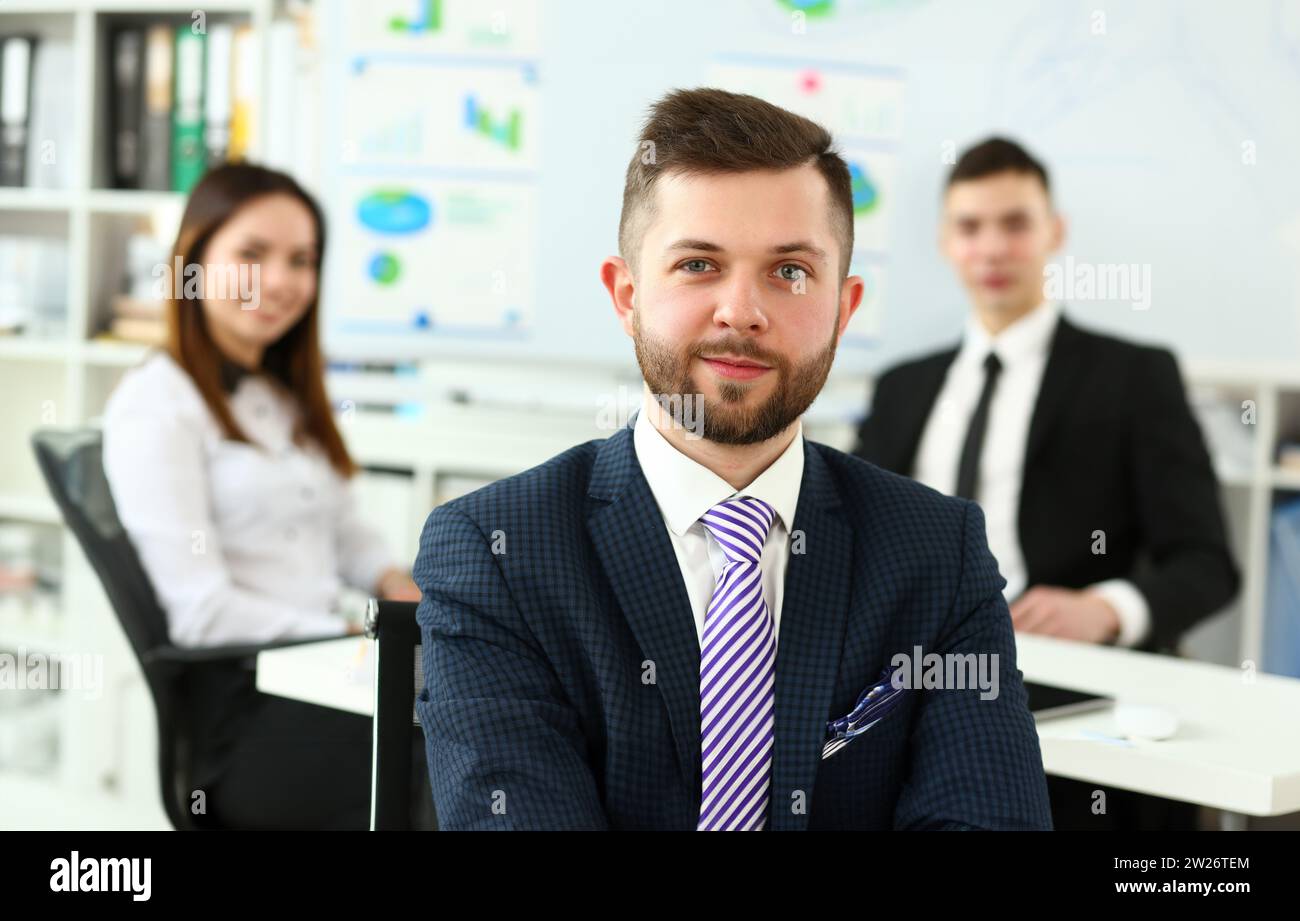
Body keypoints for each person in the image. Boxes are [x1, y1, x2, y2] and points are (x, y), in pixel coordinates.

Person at [414, 89, 1052, 830]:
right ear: (626, 295)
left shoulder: (940, 553)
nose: (741, 311)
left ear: (844, 309)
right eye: (697, 264)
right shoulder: (496, 551)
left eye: (789, 272)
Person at [853, 137, 1240, 828]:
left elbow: (1207, 563)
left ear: (1053, 233)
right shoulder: (903, 388)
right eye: (971, 227)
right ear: (946, 242)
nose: (993, 248)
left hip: (1070, 690)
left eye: (1015, 223)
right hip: (917, 683)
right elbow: (855, 540)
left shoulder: (1134, 376)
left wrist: (1109, 607)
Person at [103, 163, 419, 830]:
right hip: (247, 717)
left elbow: (342, 530)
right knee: (442, 771)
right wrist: (348, 638)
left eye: (301, 260)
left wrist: (396, 583)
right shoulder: (157, 405)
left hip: (321, 674)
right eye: (252, 253)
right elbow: (202, 613)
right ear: (194, 257)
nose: (280, 281)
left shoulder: (276, 395)